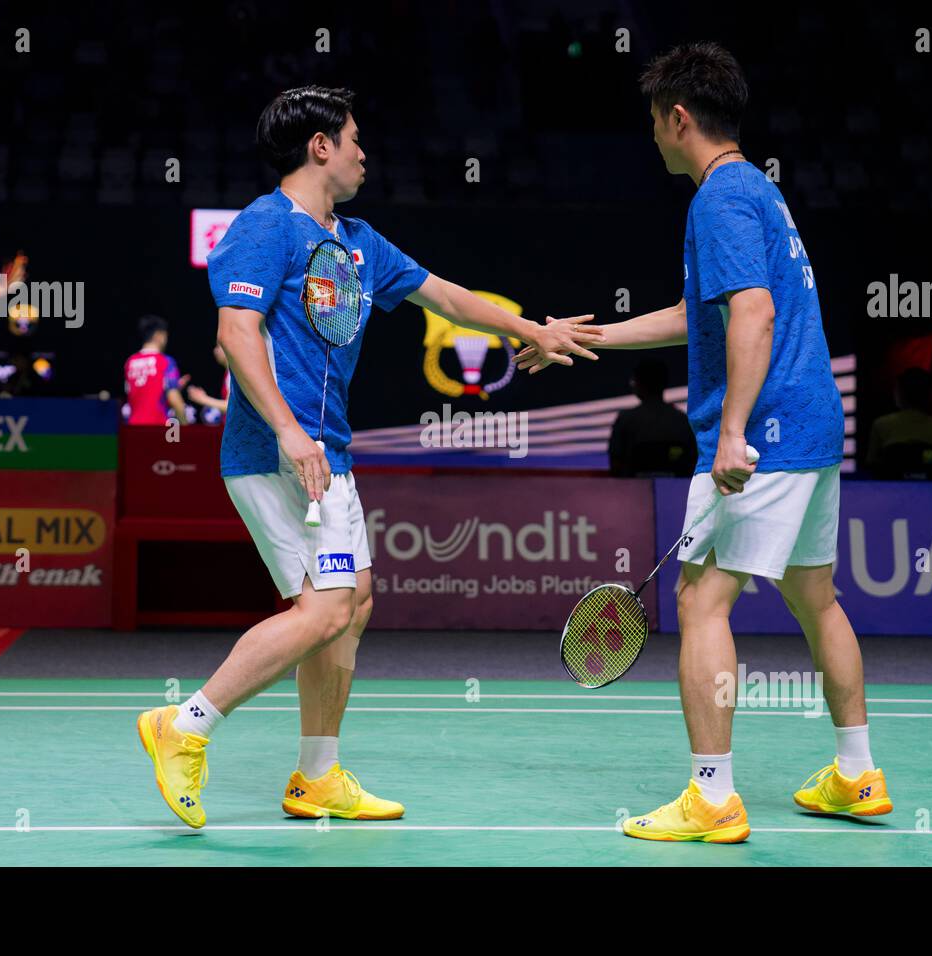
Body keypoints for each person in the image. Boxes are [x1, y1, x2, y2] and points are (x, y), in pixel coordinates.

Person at [136, 85, 601, 828]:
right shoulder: (266, 225)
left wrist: (529, 330)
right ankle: (184, 724)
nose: (363, 152)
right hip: (273, 451)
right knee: (324, 611)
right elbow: (236, 336)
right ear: (320, 145)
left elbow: (443, 294)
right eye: (353, 138)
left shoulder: (356, 241)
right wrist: (289, 431)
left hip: (331, 457)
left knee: (352, 607)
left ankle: (316, 777)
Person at [518, 42, 890, 843]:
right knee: (815, 597)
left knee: (700, 600)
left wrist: (730, 433)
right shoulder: (756, 190)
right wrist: (591, 337)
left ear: (678, 116)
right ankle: (857, 775)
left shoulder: (717, 199)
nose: (651, 135)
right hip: (814, 425)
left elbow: (751, 315)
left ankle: (713, 795)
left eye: (653, 121)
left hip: (764, 435)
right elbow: (707, 314)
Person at [608, 358, 696, 476]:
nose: (632, 384)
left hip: (632, 489)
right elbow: (692, 461)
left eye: (634, 380)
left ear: (639, 383)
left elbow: (616, 464)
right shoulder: (682, 420)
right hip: (677, 490)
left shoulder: (625, 419)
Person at [865, 367, 932, 478]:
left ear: (900, 393)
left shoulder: (880, 425)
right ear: (929, 394)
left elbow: (872, 465)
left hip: (889, 492)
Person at [123, 315, 190, 426]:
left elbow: (142, 394)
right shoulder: (165, 361)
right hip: (156, 429)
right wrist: (186, 427)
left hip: (133, 429)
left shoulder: (130, 362)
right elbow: (175, 400)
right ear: (158, 335)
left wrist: (174, 387)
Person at [187, 342, 231, 422]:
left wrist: (203, 399)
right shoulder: (228, 373)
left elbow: (230, 407)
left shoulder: (233, 374)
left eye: (218, 347)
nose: (215, 351)